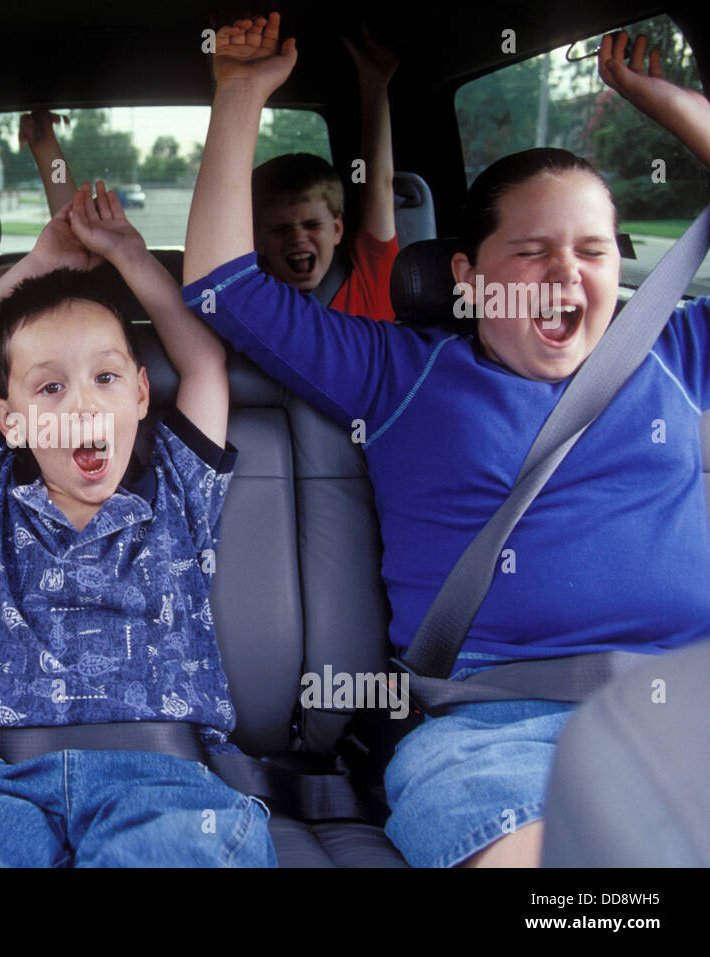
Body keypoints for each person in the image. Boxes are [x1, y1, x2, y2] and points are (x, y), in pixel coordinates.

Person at [184, 13, 710, 867]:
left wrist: (679, 109)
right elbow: (221, 288)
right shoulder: (400, 371)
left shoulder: (674, 352)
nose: (566, 276)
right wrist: (240, 96)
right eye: (531, 251)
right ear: (465, 276)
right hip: (493, 735)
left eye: (593, 251)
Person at [0, 183, 277, 867]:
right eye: (50, 386)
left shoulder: (179, 486)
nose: (82, 403)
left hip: (163, 776)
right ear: (8, 418)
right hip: (2, 783)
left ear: (143, 394)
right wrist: (39, 261)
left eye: (107, 378)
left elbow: (202, 361)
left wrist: (128, 252)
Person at [250, 25, 398, 319]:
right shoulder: (254, 295)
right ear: (258, 242)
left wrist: (376, 83)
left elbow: (379, 182)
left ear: (338, 229)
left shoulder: (371, 277)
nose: (298, 238)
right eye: (280, 229)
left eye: (312, 224)